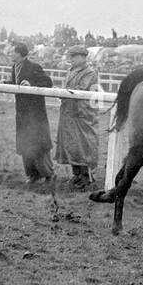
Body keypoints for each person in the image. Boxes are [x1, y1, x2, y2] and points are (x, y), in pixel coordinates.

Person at [55, 44, 99, 188]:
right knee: (70, 144)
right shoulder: (71, 70)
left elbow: (81, 90)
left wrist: (63, 92)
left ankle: (86, 176)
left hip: (82, 114)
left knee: (83, 144)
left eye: (73, 56)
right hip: (69, 112)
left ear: (82, 57)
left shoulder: (90, 72)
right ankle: (77, 174)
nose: (71, 59)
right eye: (70, 56)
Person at [8, 43, 54, 182]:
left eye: (12, 52)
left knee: (39, 144)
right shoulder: (14, 67)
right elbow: (16, 83)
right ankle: (32, 174)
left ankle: (48, 174)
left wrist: (32, 85)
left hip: (35, 114)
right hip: (22, 113)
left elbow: (48, 82)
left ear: (20, 53)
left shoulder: (34, 67)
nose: (10, 54)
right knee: (25, 143)